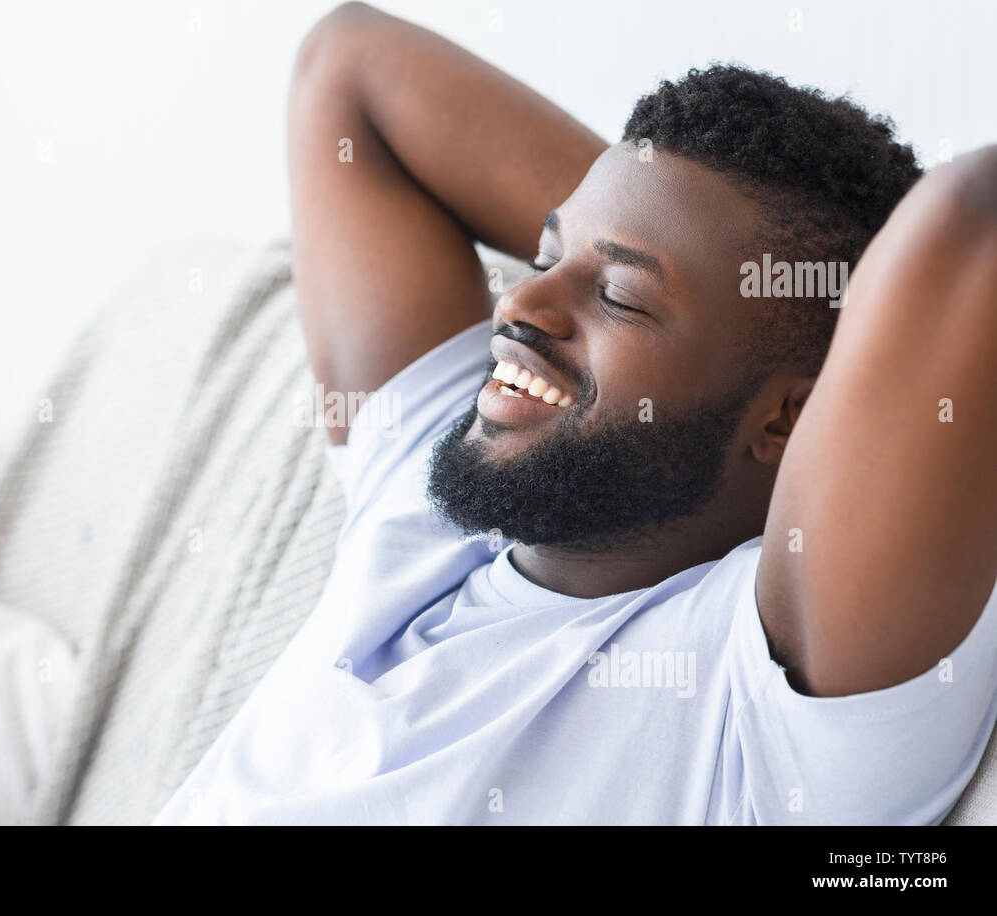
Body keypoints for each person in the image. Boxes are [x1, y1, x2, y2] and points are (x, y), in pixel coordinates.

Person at [154, 2, 997, 824]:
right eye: (548, 251)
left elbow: (965, 234)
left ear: (788, 424)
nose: (518, 303)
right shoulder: (426, 488)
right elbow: (349, 62)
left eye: (621, 298)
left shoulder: (761, 694)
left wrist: (751, 271)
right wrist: (661, 222)